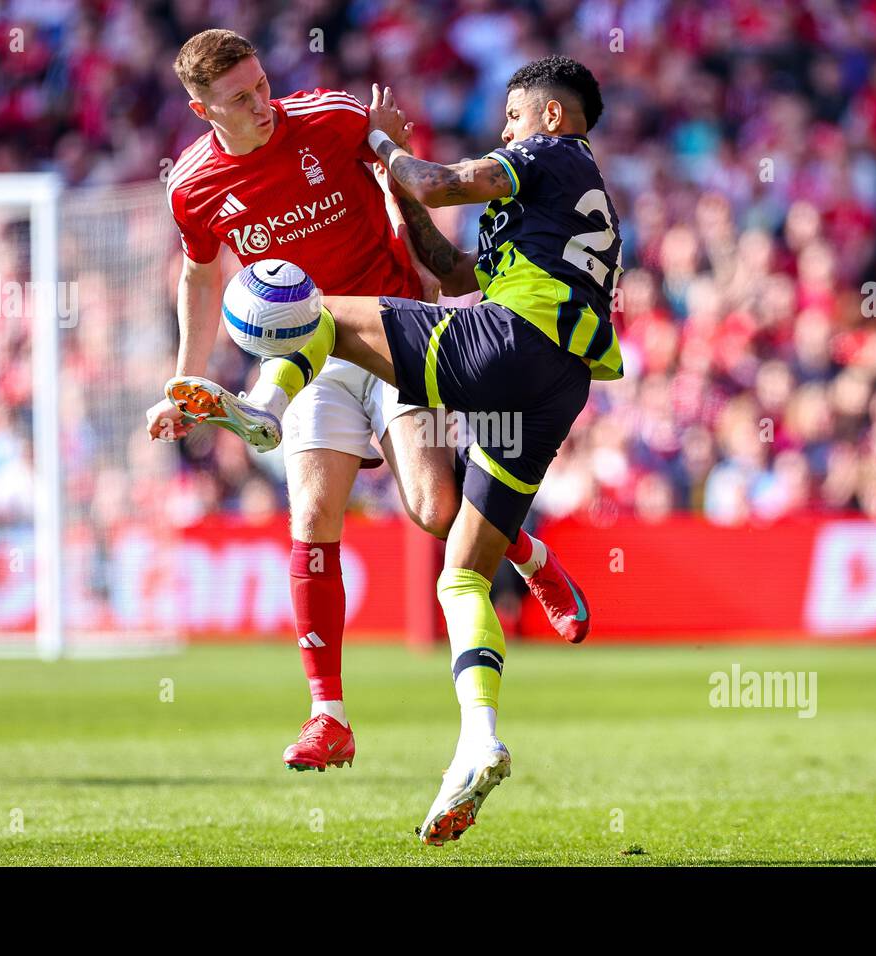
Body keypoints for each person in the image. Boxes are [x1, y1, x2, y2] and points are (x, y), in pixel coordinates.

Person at [179, 54, 620, 844]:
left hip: (488, 339)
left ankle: (259, 411)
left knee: (309, 314)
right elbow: (454, 270)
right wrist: (400, 196)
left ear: (549, 116)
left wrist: (386, 148)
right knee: (457, 567)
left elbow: (437, 181)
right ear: (200, 106)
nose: (506, 130)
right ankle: (477, 740)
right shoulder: (552, 205)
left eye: (513, 116)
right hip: (558, 380)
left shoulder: (545, 155)